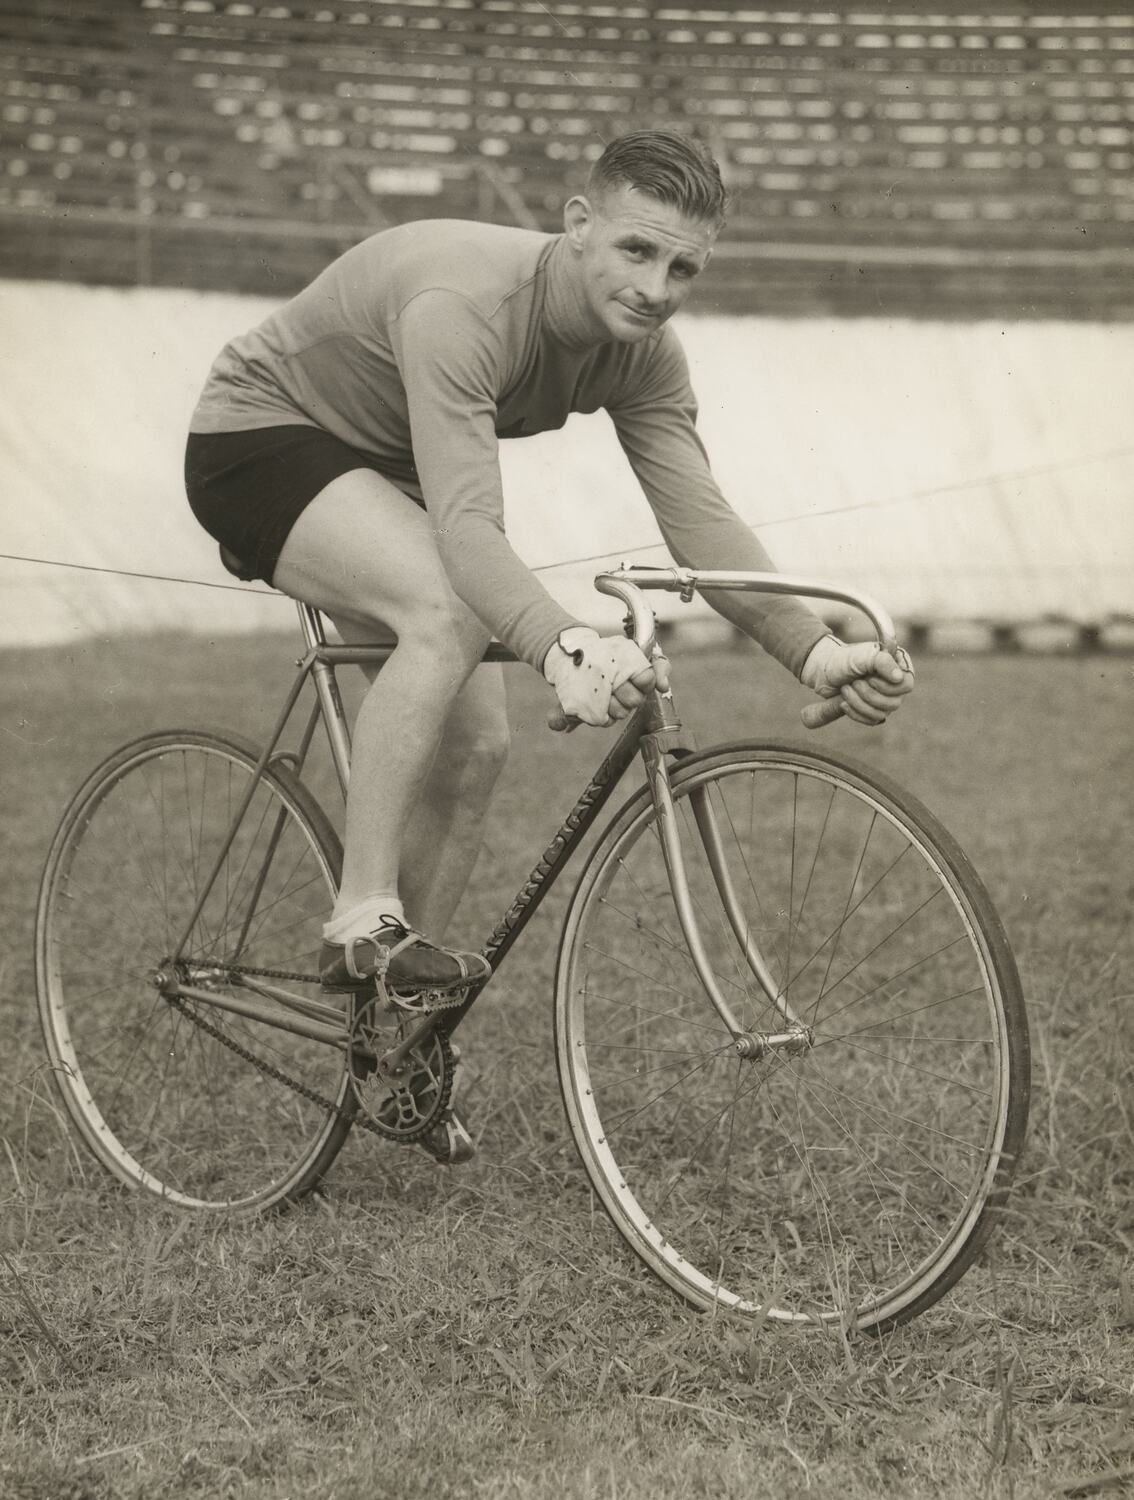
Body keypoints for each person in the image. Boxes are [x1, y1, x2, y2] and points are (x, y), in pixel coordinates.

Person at [184, 129, 913, 1157]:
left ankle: (391, 1031)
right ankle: (361, 914)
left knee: (480, 747)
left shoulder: (643, 348)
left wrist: (808, 648)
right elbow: (471, 534)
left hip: (382, 469)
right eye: (635, 251)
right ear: (576, 226)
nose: (658, 287)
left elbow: (697, 516)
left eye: (684, 268)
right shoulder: (467, 307)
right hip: (257, 439)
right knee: (446, 610)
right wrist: (560, 642)